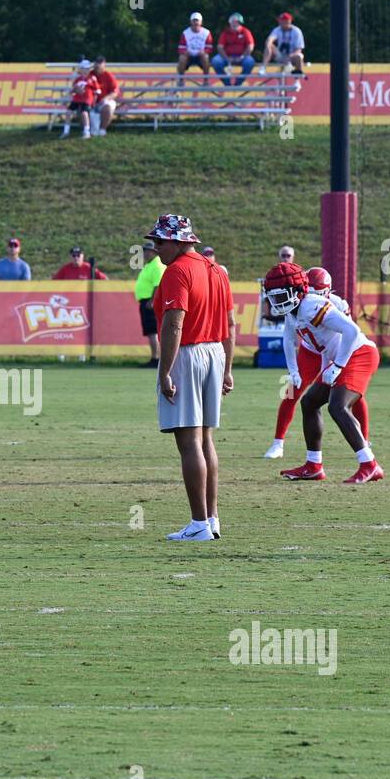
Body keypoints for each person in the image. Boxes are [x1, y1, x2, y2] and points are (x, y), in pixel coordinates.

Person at [150, 214, 234, 542]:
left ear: (179, 241)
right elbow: (230, 323)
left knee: (188, 442)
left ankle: (198, 523)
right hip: (214, 352)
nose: (156, 249)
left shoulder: (177, 271)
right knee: (206, 440)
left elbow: (174, 324)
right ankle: (211, 519)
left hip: (187, 354)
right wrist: (227, 368)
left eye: (160, 242)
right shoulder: (216, 270)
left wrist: (165, 370)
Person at [264, 263, 383, 484]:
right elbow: (288, 340)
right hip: (339, 357)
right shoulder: (294, 310)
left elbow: (352, 330)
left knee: (338, 406)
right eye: (274, 297)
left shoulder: (312, 305)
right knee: (309, 402)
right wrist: (293, 371)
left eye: (281, 296)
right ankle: (313, 465)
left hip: (359, 354)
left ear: (298, 291)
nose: (276, 302)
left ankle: (370, 464)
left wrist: (337, 366)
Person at [133, 239, 165, 368]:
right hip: (146, 301)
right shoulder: (150, 265)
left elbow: (158, 285)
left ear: (154, 252)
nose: (145, 253)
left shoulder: (157, 265)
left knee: (153, 331)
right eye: (145, 251)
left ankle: (156, 359)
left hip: (150, 302)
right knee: (151, 331)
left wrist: (152, 301)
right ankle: (155, 358)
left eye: (148, 251)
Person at [212, 13, 256, 87]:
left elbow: (250, 46)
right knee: (216, 61)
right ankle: (227, 82)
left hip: (242, 56)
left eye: (236, 22)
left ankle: (238, 82)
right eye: (232, 22)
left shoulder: (246, 32)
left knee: (250, 62)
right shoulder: (225, 33)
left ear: (240, 22)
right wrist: (226, 58)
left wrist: (242, 57)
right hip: (227, 56)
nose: (234, 24)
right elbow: (220, 47)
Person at [59, 59, 98, 139]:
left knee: (84, 113)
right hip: (77, 99)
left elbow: (97, 91)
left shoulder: (92, 78)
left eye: (87, 69)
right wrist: (74, 91)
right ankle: (66, 131)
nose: (86, 71)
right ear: (80, 69)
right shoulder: (78, 79)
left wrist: (94, 101)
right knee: (68, 112)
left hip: (87, 99)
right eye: (84, 69)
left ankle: (86, 132)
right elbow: (73, 90)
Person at [176, 12, 214, 80]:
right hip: (189, 57)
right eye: (194, 21)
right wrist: (185, 52)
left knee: (206, 57)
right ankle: (181, 80)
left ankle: (206, 80)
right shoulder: (185, 33)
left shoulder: (206, 33)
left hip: (200, 57)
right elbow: (180, 48)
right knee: (182, 58)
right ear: (191, 22)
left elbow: (210, 47)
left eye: (197, 21)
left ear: (201, 22)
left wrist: (204, 52)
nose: (195, 23)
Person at [90, 57, 120, 136]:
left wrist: (106, 98)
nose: (97, 65)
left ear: (104, 65)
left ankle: (102, 130)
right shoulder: (89, 74)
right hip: (91, 101)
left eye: (100, 63)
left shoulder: (108, 76)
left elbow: (115, 92)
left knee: (108, 107)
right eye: (96, 63)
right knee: (81, 108)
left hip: (105, 100)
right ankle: (86, 130)